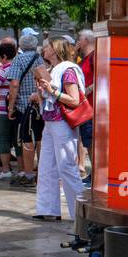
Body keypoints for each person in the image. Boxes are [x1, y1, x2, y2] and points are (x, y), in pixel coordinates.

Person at [33, 36, 85, 225]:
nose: (43, 50)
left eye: (46, 47)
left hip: (62, 122)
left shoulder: (67, 70)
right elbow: (48, 98)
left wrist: (52, 91)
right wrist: (41, 90)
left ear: (54, 50)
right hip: (50, 122)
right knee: (47, 166)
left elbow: (75, 100)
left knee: (66, 167)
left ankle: (79, 214)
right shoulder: (52, 70)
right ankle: (47, 208)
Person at [6, 30, 45, 187]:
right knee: (40, 140)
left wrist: (10, 107)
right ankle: (42, 174)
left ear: (21, 45)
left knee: (27, 140)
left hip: (24, 107)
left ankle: (28, 174)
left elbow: (14, 84)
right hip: (41, 105)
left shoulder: (18, 60)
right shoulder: (40, 59)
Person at [0, 40, 18, 180]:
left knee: (2, 139)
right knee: (17, 139)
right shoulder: (18, 67)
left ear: (4, 56)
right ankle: (23, 169)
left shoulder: (4, 68)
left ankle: (6, 169)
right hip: (17, 108)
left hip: (2, 109)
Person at [76, 29, 96, 184]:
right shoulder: (85, 58)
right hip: (86, 106)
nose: (78, 41)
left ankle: (96, 174)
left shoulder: (94, 57)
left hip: (91, 107)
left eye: (80, 39)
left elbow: (103, 76)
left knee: (90, 141)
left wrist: (88, 89)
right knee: (87, 141)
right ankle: (94, 172)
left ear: (87, 40)